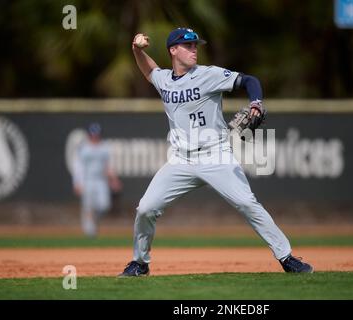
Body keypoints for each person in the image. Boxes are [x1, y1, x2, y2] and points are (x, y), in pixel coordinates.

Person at [119, 28, 313, 276]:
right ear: (173, 50)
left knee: (246, 202)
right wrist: (136, 49)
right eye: (188, 45)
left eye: (195, 45)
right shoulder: (164, 80)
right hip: (180, 159)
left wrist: (256, 102)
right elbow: (149, 70)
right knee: (146, 208)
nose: (194, 50)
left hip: (215, 155)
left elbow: (249, 81)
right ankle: (140, 263)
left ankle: (287, 257)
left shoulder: (209, 74)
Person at [72, 123, 122, 237]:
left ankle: (93, 222)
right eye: (93, 134)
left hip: (101, 180)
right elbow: (78, 167)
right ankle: (89, 234)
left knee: (104, 205)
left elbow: (108, 166)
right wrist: (77, 183)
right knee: (88, 207)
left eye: (96, 134)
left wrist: (114, 180)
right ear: (89, 135)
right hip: (87, 180)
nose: (95, 136)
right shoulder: (84, 148)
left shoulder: (104, 148)